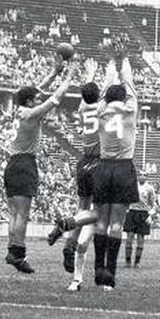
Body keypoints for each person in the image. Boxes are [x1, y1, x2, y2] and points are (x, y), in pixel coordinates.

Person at [3, 58, 72, 273]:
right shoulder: (32, 114)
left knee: (14, 213)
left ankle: (12, 251)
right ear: (30, 101)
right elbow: (54, 98)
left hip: (12, 163)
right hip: (25, 163)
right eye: (35, 99)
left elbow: (38, 90)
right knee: (22, 213)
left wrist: (54, 72)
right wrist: (68, 78)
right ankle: (18, 254)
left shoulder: (19, 110)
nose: (37, 99)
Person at [47, 58, 103, 291]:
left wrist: (89, 75)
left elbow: (87, 96)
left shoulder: (82, 109)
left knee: (83, 207)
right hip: (99, 161)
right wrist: (99, 73)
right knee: (97, 212)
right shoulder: (102, 109)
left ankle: (69, 243)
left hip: (83, 161)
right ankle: (69, 231)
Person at [90, 55, 140, 290]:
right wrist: (126, 64)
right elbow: (130, 86)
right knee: (117, 224)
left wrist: (110, 69)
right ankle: (111, 271)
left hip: (103, 166)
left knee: (101, 222)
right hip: (123, 167)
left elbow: (103, 94)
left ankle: (97, 269)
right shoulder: (130, 110)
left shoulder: (101, 112)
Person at [124, 173, 156, 268]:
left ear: (146, 177)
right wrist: (126, 210)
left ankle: (137, 262)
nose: (142, 176)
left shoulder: (149, 188)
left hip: (143, 214)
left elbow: (153, 204)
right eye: (140, 175)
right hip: (132, 212)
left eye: (144, 175)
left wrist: (150, 215)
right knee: (129, 238)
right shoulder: (132, 186)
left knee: (140, 239)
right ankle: (128, 261)